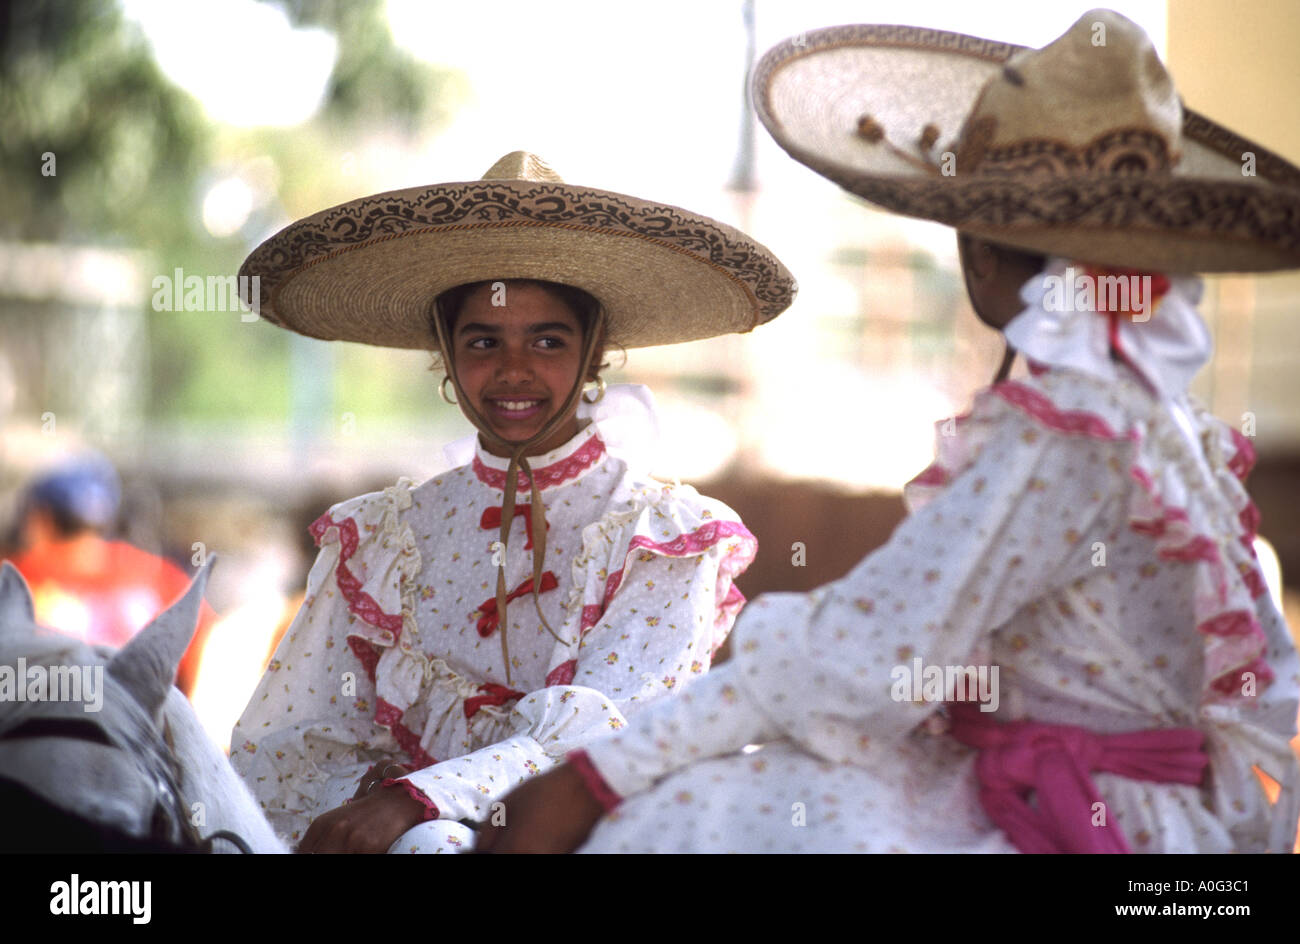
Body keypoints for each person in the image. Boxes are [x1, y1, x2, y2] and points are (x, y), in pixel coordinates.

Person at [478, 12, 1300, 854]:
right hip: (1157, 820)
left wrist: (594, 778)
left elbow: (862, 654)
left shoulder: (1058, 439)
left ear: (978, 253)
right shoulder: (1173, 431)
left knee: (698, 818)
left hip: (1082, 821)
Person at [230, 151, 795, 852]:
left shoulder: (665, 534)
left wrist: (418, 802)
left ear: (594, 355)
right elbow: (294, 741)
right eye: (483, 340)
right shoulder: (383, 536)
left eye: (547, 340)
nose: (514, 370)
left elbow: (621, 730)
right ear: (445, 353)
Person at [6, 453, 216, 695]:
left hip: (38, 721)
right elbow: (210, 647)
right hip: (140, 722)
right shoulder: (154, 575)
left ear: (40, 519)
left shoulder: (17, 576)